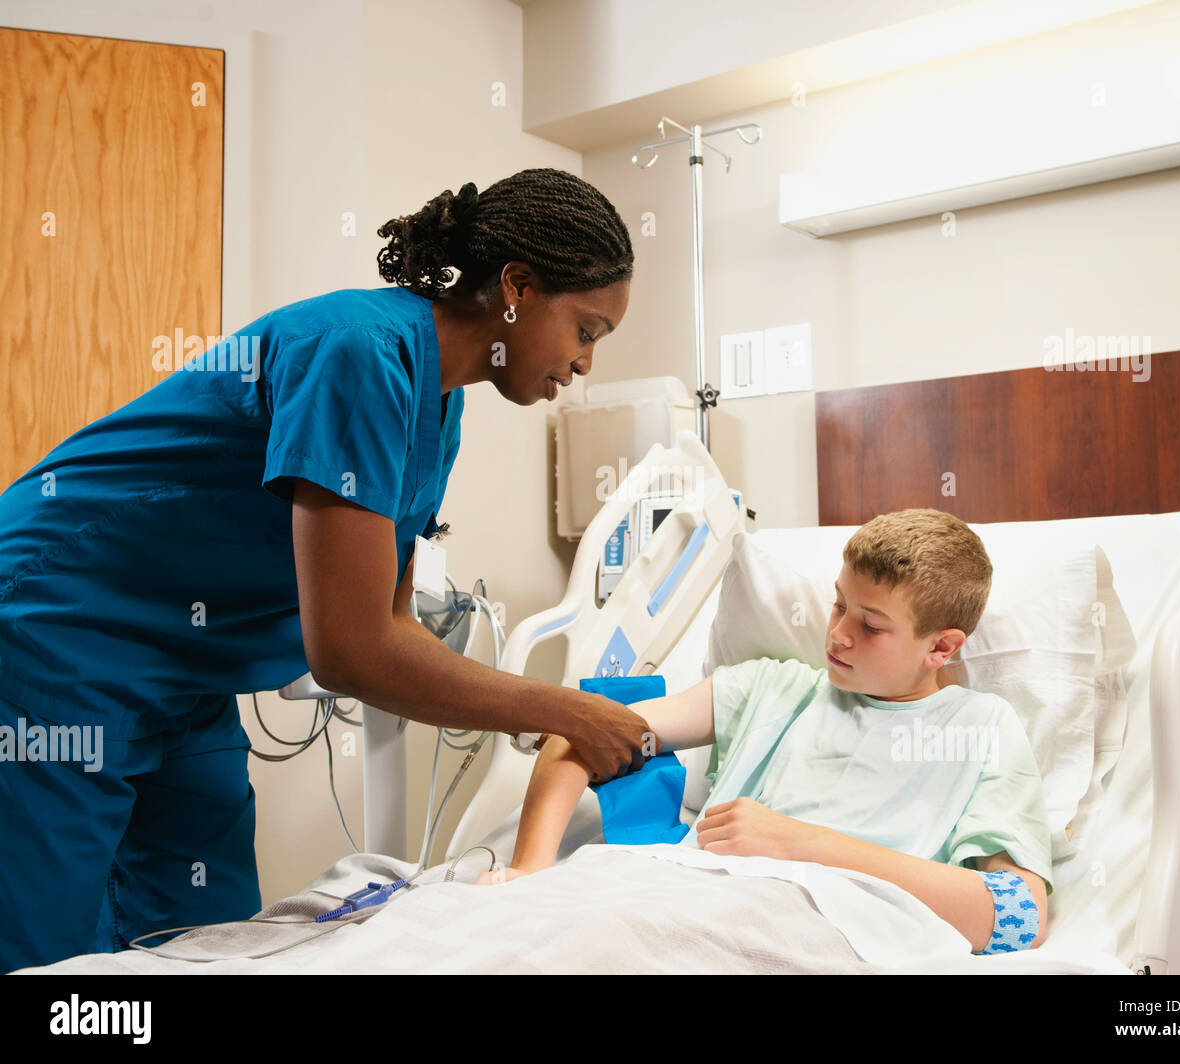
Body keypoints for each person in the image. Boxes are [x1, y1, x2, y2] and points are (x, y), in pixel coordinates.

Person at [0, 167, 653, 973]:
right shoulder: (358, 351)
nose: (585, 363)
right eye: (587, 330)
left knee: (205, 935)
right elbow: (349, 651)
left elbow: (392, 621)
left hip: (181, 673)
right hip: (55, 632)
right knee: (48, 946)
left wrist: (551, 712)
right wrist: (565, 710)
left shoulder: (439, 407)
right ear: (516, 287)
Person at [479, 509, 1054, 954]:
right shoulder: (771, 691)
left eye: (870, 626)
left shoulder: (980, 728)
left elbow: (1018, 919)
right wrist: (532, 869)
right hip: (682, 899)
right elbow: (582, 731)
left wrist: (803, 844)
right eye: (838, 605)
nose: (837, 635)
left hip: (827, 930)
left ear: (942, 646)